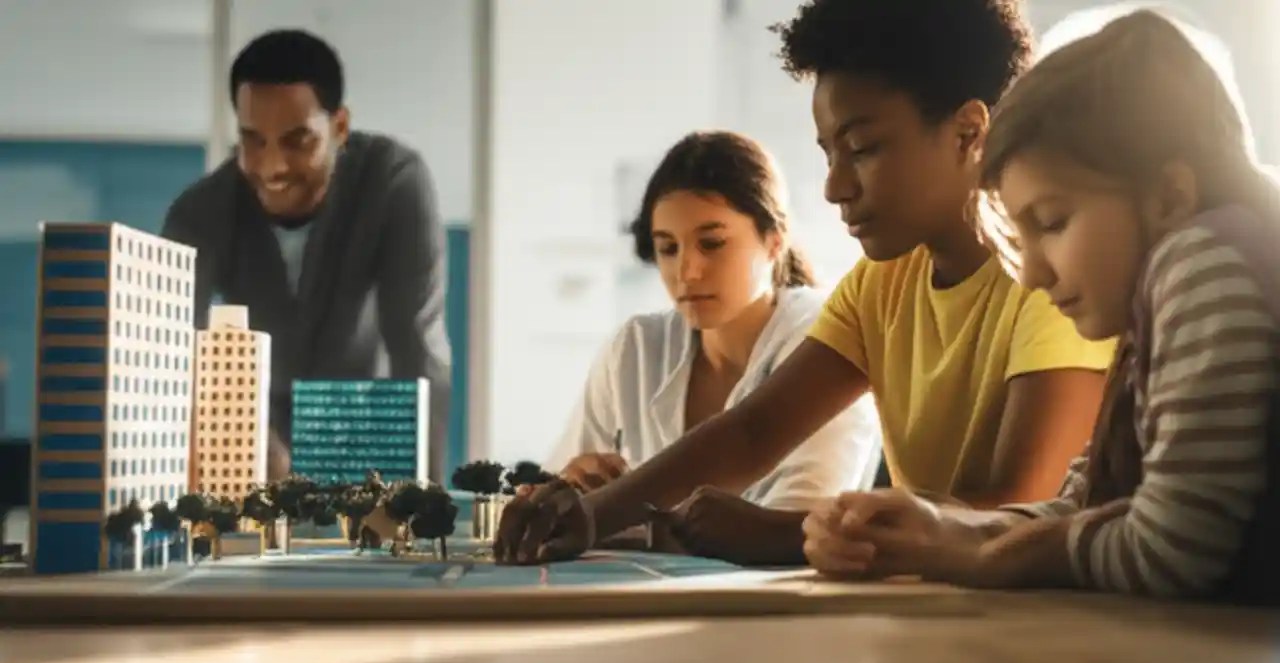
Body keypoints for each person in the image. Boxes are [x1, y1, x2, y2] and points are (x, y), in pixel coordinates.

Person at [495, 0, 1115, 566]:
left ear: (968, 133)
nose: (835, 187)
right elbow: (751, 431)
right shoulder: (882, 282)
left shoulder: (1050, 281)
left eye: (863, 149)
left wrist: (784, 533)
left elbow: (1015, 510)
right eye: (828, 154)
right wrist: (588, 514)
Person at [803, 10, 1280, 605]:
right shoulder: (1145, 325)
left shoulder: (1203, 263)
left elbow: (1171, 550)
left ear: (1169, 196)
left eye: (1052, 222)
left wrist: (975, 554)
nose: (1030, 275)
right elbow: (1082, 507)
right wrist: (932, 529)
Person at [546, 131, 882, 565]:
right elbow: (558, 505)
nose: (688, 271)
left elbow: (790, 529)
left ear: (774, 240)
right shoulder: (635, 350)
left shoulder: (825, 340)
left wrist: (610, 516)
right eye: (668, 248)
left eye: (712, 243)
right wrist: (574, 487)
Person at [161, 30, 452, 483]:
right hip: (256, 441)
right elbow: (170, 349)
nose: (272, 167)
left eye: (298, 141)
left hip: (366, 431)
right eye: (253, 140)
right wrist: (243, 435)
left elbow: (417, 344)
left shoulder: (393, 180)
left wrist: (426, 497)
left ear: (339, 127)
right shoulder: (201, 210)